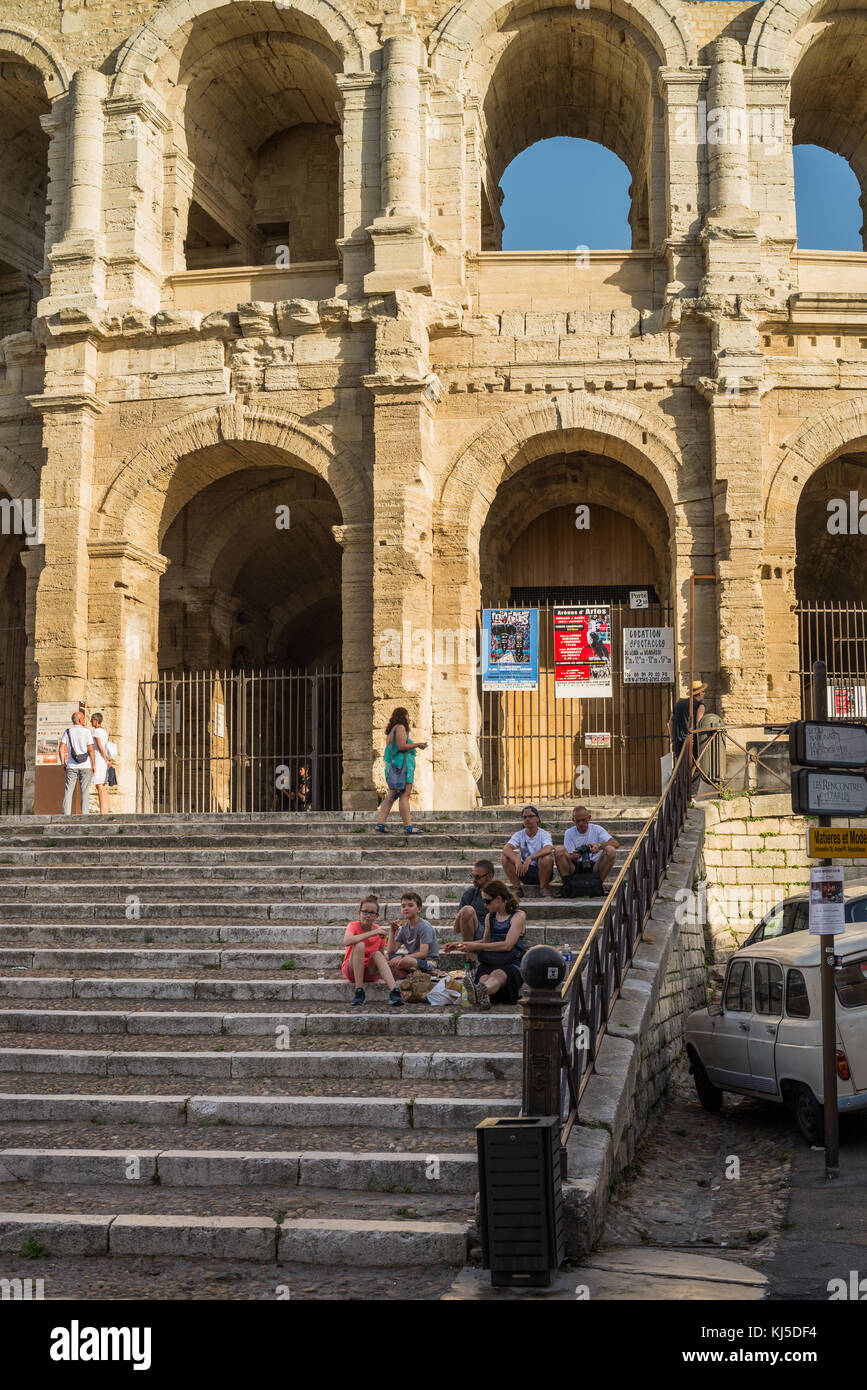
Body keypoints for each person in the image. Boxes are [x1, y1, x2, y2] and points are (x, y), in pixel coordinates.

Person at [444, 880, 527, 1010]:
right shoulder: (490, 917)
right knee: (484, 976)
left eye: (487, 901)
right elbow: (485, 941)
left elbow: (507, 945)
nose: (484, 904)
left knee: (497, 975)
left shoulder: (518, 916)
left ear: (499, 899)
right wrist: (460, 944)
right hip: (492, 961)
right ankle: (481, 992)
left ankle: (478, 992)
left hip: (511, 962)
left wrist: (477, 947)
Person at [342, 894, 404, 1007]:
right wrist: (374, 932)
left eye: (371, 913)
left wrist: (386, 961)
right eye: (365, 912)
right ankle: (359, 991)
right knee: (360, 945)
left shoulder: (379, 932)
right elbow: (347, 941)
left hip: (370, 971)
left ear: (376, 916)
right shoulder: (353, 926)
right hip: (352, 970)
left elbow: (381, 954)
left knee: (377, 954)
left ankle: (395, 991)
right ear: (359, 913)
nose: (368, 916)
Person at [375, 707, 428, 835]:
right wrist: (418, 744)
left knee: (391, 796)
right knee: (404, 796)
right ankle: (408, 826)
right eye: (407, 716)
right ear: (403, 716)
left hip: (394, 767)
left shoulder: (391, 730)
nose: (409, 719)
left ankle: (381, 824)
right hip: (401, 767)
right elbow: (402, 746)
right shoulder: (400, 728)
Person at [554, 805, 620, 888]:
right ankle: (567, 886)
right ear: (573, 820)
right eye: (578, 821)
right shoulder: (569, 833)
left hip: (595, 865)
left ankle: (598, 885)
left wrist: (599, 846)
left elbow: (616, 844)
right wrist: (574, 857)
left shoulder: (597, 829)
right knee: (559, 850)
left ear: (589, 818)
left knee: (611, 850)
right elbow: (569, 857)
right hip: (576, 866)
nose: (581, 823)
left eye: (584, 820)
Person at [501, 806, 554, 897]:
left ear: (537, 818)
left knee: (546, 859)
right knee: (505, 858)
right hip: (524, 871)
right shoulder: (519, 834)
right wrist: (516, 860)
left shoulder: (544, 834)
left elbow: (548, 848)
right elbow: (506, 848)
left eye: (530, 816)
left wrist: (531, 857)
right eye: (525, 817)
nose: (527, 819)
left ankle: (543, 888)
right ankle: (518, 889)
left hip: (542, 871)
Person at [387, 892, 440, 979]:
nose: (406, 908)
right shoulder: (404, 928)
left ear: (419, 909)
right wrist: (392, 932)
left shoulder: (424, 927)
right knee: (385, 957)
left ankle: (401, 971)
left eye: (410, 905)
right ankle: (403, 971)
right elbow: (391, 951)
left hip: (429, 962)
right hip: (413, 959)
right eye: (403, 906)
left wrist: (402, 957)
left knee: (405, 961)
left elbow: (423, 954)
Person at [448, 859, 496, 946]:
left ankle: (469, 948)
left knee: (467, 910)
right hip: (476, 932)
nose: (474, 880)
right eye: (472, 876)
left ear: (490, 876)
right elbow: (456, 929)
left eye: (478, 877)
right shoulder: (470, 894)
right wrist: (462, 914)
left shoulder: (501, 893)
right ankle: (469, 955)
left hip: (496, 932)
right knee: (467, 910)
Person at [670, 680, 707, 786]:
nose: (704, 693)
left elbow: (670, 723)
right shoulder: (700, 706)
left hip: (678, 742)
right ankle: (692, 795)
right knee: (695, 768)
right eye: (703, 691)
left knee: (681, 768)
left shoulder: (679, 704)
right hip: (692, 742)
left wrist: (673, 741)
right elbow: (698, 725)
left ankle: (681, 794)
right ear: (700, 693)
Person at [58, 710, 96, 816]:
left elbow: (61, 748)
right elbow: (91, 749)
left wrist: (63, 762)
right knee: (85, 790)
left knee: (69, 790)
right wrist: (93, 764)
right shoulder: (87, 732)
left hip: (71, 765)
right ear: (79, 720)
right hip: (85, 765)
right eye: (83, 718)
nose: (85, 720)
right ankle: (85, 814)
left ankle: (66, 813)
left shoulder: (68, 732)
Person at [90, 712, 115, 815]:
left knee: (99, 786)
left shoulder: (96, 732)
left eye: (92, 720)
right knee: (103, 787)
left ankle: (102, 812)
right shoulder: (104, 731)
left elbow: (100, 747)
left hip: (99, 760)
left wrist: (105, 760)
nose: (91, 722)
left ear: (96, 721)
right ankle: (104, 811)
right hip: (103, 762)